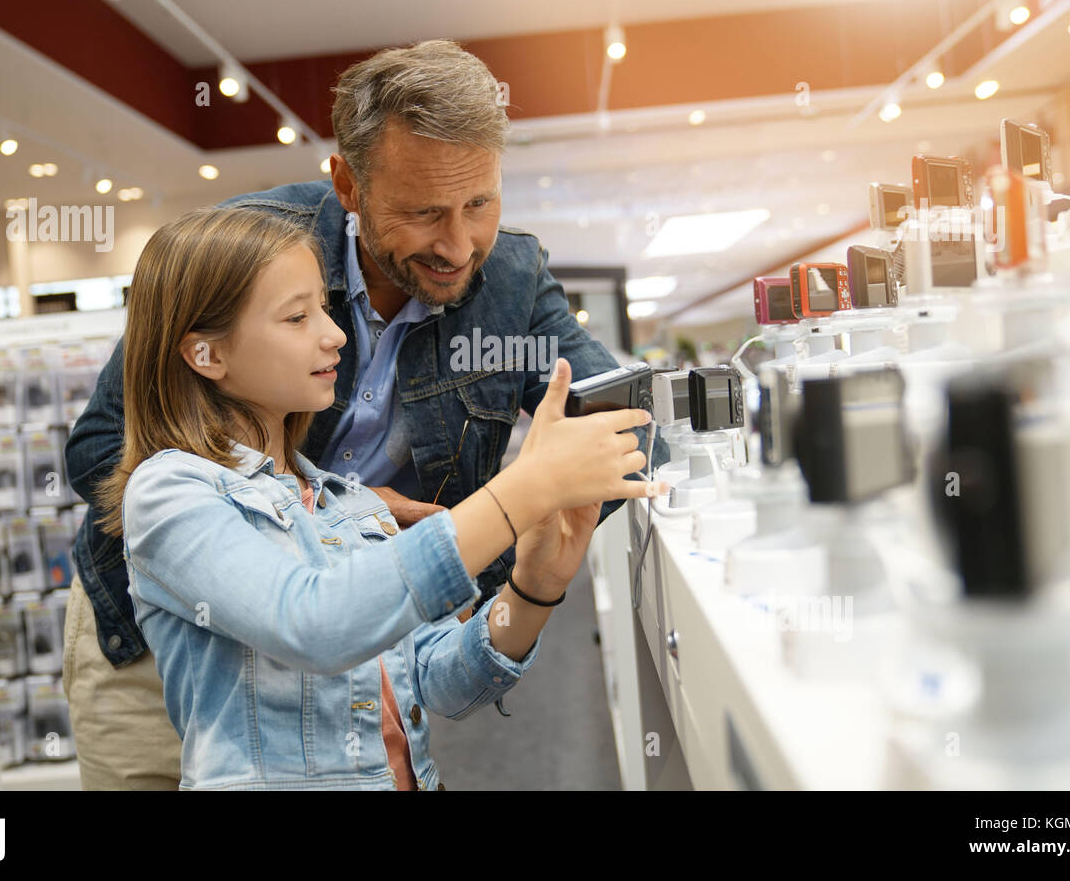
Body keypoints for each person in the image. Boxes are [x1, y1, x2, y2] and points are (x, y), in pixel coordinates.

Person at [62, 39, 665, 789]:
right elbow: (101, 451)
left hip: (366, 592)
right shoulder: (251, 251)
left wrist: (518, 572)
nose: (458, 243)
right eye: (423, 212)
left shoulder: (507, 280)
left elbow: (624, 419)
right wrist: (303, 532)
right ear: (348, 183)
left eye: (480, 203)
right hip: (171, 635)